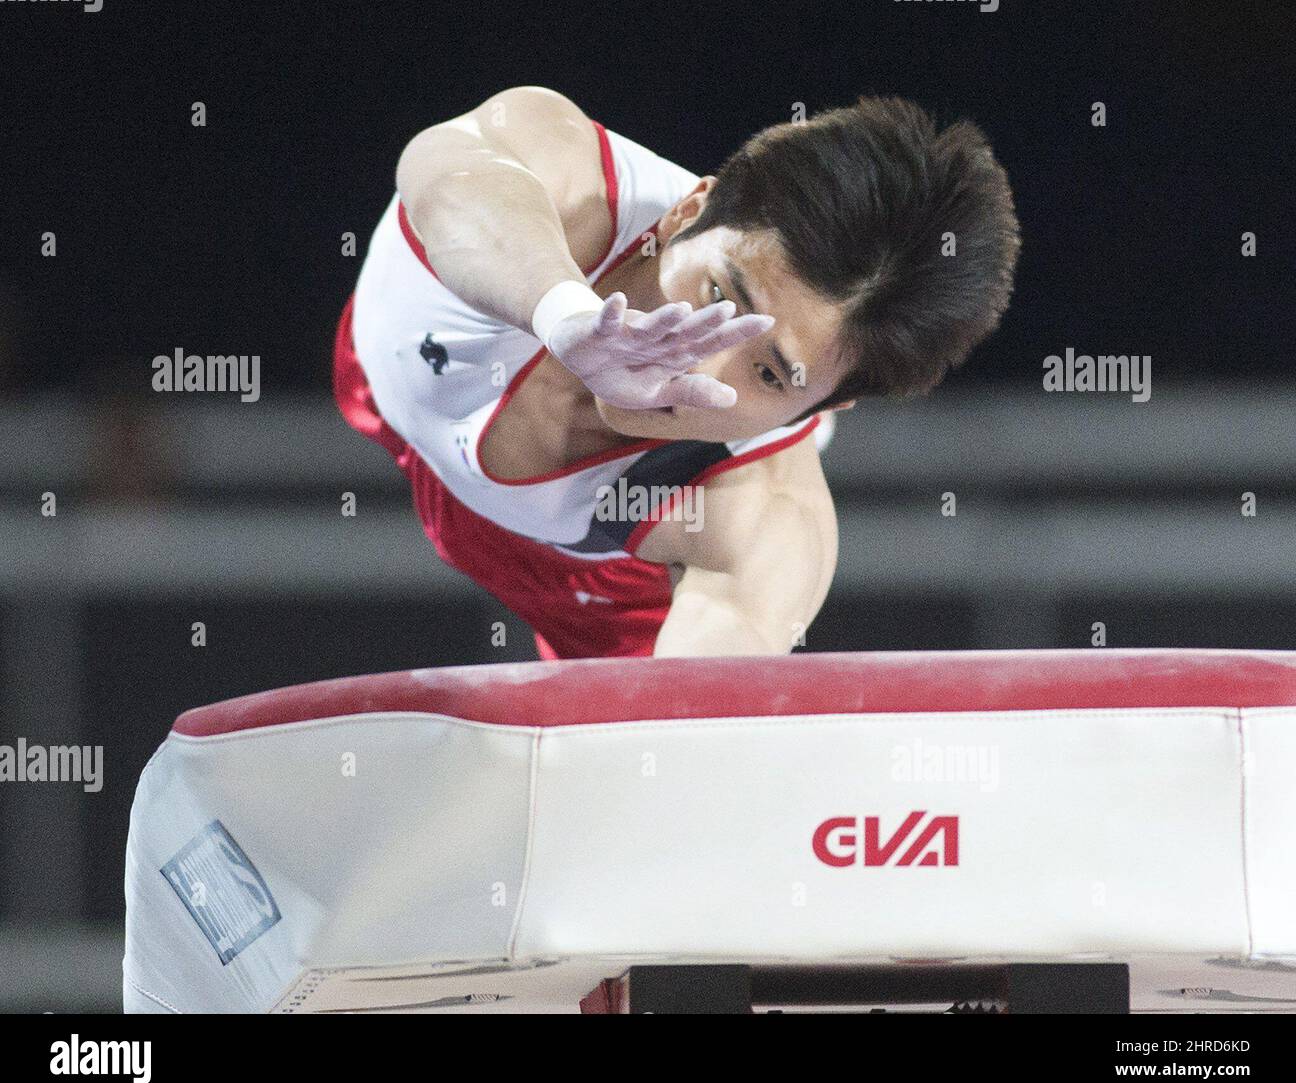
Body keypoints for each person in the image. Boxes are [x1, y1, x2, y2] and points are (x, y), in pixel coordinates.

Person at [334, 87, 1020, 658]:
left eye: (771, 375)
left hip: (588, 579)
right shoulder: (571, 181)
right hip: (380, 380)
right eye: (723, 298)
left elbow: (684, 758)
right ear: (688, 210)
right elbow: (446, 175)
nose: (698, 362)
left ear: (829, 408)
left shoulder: (758, 521)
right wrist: (563, 312)